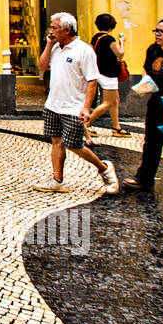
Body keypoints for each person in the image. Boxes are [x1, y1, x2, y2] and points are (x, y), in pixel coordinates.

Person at [33, 12, 119, 193]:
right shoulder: (56, 47)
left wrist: (86, 107)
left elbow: (92, 81)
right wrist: (49, 44)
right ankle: (57, 180)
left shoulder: (84, 50)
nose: (51, 31)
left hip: (73, 106)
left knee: (74, 145)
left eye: (54, 28)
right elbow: (42, 66)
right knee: (56, 141)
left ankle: (104, 169)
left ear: (67, 30)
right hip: (53, 104)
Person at [124, 17, 163, 190]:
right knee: (151, 141)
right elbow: (146, 67)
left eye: (162, 31)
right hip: (156, 103)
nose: (157, 34)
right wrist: (146, 80)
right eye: (156, 31)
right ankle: (144, 178)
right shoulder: (153, 50)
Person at [86, 13, 129, 137]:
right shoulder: (109, 39)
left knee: (115, 100)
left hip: (99, 70)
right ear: (112, 25)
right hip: (108, 73)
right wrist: (122, 42)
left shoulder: (96, 37)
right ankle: (86, 124)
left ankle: (116, 127)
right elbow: (120, 54)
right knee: (108, 102)